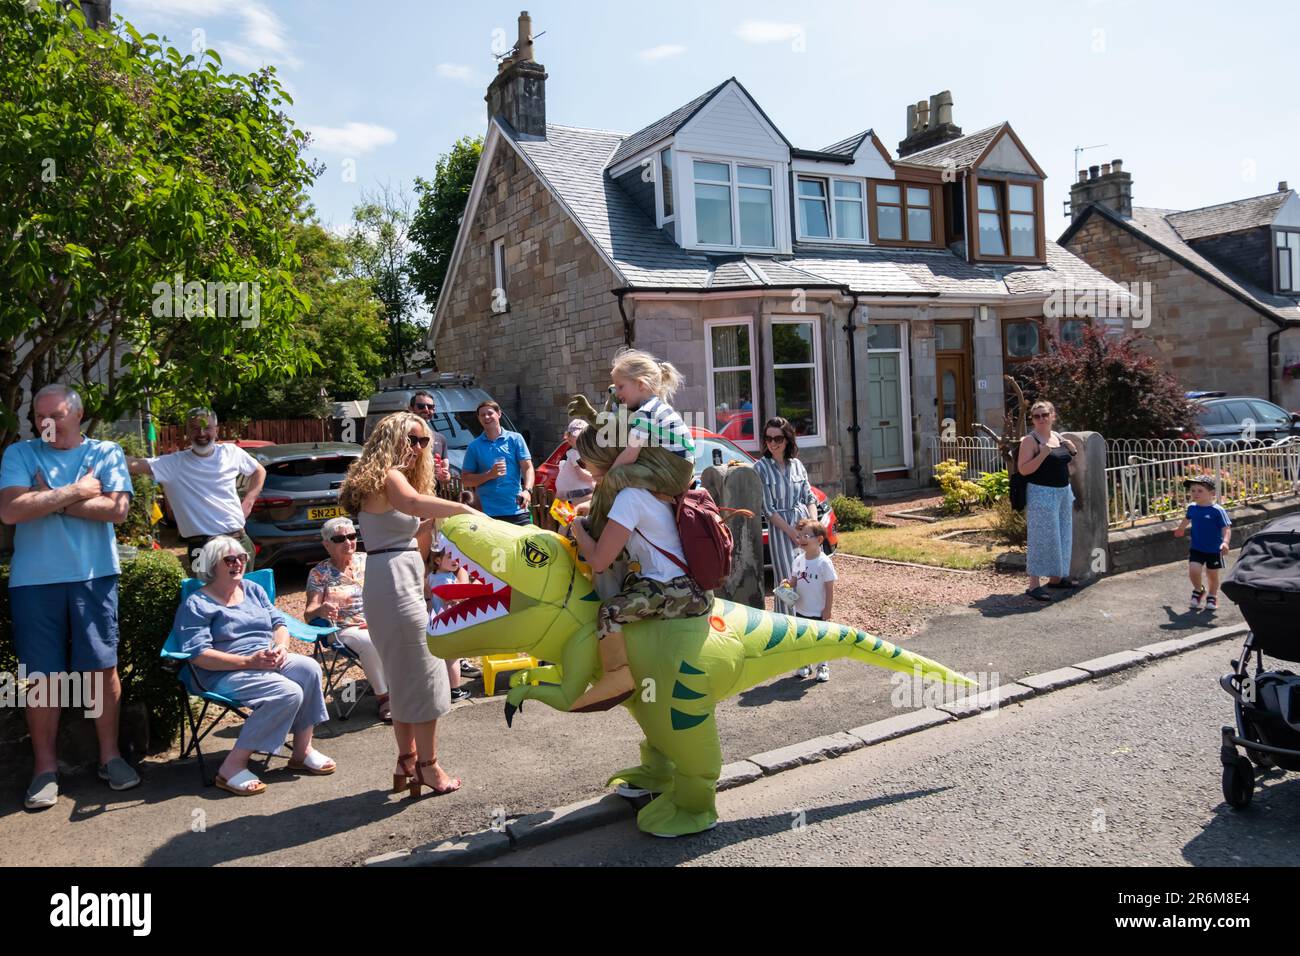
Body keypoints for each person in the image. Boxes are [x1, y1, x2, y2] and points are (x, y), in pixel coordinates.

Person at [0, 384, 139, 810]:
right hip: (33, 581)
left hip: (93, 576)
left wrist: (46, 499)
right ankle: (45, 770)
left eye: (56, 415)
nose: (47, 424)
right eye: (40, 417)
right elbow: (10, 511)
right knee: (43, 677)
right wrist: (78, 492)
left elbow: (117, 510)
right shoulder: (20, 454)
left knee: (101, 668)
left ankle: (109, 758)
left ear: (78, 415)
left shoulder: (107, 452)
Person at [338, 412, 475, 797]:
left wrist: (429, 528)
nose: (418, 448)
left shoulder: (379, 480)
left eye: (423, 442)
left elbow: (409, 531)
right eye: (412, 439)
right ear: (392, 438)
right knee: (428, 673)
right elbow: (416, 503)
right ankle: (428, 767)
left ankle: (407, 761)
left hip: (393, 577)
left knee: (402, 678)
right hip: (395, 581)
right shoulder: (390, 476)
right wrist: (463, 510)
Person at [173, 535, 334, 795]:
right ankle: (231, 767)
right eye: (229, 559)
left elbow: (279, 624)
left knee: (309, 668)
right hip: (222, 671)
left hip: (264, 660)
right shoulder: (198, 603)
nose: (238, 563)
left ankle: (302, 751)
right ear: (213, 564)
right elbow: (199, 655)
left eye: (242, 558)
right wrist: (248, 661)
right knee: (287, 692)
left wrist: (281, 648)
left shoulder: (253, 590)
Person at [567, 430, 712, 711]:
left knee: (609, 611)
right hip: (682, 582)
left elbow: (599, 561)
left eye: (584, 462)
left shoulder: (629, 498)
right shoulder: (641, 488)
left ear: (601, 459)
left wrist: (576, 527)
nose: (582, 468)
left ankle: (617, 677)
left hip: (675, 588)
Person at [569, 349, 696, 540]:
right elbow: (615, 429)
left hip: (672, 471)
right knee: (611, 480)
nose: (617, 393)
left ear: (640, 384)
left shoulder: (646, 412)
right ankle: (596, 521)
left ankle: (599, 533)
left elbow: (630, 454)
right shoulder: (653, 407)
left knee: (615, 477)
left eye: (620, 387)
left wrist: (610, 475)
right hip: (671, 467)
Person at [126, 407, 265, 572]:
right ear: (187, 432)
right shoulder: (173, 464)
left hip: (237, 541)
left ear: (217, 430)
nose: (201, 433)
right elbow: (134, 464)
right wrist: (100, 451)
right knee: (206, 596)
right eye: (194, 428)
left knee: (242, 595)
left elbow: (259, 470)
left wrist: (248, 502)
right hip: (202, 548)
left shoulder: (230, 452)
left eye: (207, 427)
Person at [304, 517, 390, 722]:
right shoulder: (319, 573)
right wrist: (322, 609)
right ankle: (384, 698)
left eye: (352, 536)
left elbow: (388, 593)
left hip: (376, 621)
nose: (348, 542)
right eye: (340, 538)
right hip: (342, 628)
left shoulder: (368, 560)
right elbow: (309, 613)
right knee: (369, 641)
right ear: (326, 544)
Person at [752, 416, 817, 615]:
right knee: (787, 580)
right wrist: (791, 533)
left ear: (787, 439)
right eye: (768, 438)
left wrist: (813, 527)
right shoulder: (760, 468)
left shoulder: (797, 464)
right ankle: (787, 624)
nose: (772, 443)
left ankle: (810, 621)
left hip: (804, 526)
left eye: (778, 439)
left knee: (809, 577)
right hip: (781, 530)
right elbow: (768, 509)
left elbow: (809, 497)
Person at [1018, 400, 1079, 602]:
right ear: (1032, 419)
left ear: (1053, 415)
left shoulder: (1058, 437)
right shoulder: (1030, 440)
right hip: (1041, 493)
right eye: (1037, 416)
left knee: (1062, 535)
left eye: (1045, 415)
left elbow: (1070, 464)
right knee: (1040, 537)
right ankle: (1034, 585)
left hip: (1062, 492)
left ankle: (1056, 577)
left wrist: (1072, 449)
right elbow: (1023, 469)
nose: (1042, 419)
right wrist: (1042, 455)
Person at [460, 401, 534, 526]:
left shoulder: (515, 439)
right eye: (482, 415)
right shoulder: (474, 446)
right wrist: (489, 475)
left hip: (516, 508)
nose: (486, 417)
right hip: (487, 512)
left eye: (490, 413)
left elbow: (527, 468)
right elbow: (466, 480)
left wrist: (527, 491)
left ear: (499, 414)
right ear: (479, 419)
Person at [784, 519, 837, 682]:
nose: (802, 540)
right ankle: (805, 664)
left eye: (807, 535)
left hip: (818, 610)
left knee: (820, 638)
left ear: (819, 540)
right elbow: (794, 581)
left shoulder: (824, 562)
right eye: (800, 536)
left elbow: (829, 587)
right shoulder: (798, 560)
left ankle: (823, 665)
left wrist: (827, 609)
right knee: (803, 638)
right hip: (800, 609)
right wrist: (786, 584)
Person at [1174, 476, 1232, 612]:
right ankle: (1198, 590)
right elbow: (1187, 519)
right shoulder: (1192, 508)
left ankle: (1212, 596)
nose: (1195, 493)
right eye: (1193, 490)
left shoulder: (1217, 510)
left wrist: (1225, 542)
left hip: (1214, 550)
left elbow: (1226, 528)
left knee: (1212, 574)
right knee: (1194, 570)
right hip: (1197, 548)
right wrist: (1180, 529)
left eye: (1200, 491)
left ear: (1211, 493)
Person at [425, 537, 471, 702]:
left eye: (457, 557)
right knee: (453, 658)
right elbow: (453, 599)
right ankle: (454, 690)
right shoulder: (446, 579)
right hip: (448, 623)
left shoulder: (432, 576)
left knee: (442, 658)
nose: (455, 560)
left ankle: (443, 687)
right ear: (438, 560)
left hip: (436, 623)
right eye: (450, 557)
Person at [408, 391, 452, 486]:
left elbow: (445, 476)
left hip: (432, 494)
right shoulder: (401, 435)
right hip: (408, 494)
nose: (426, 410)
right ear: (411, 409)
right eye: (421, 406)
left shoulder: (440, 439)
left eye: (430, 407)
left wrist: (445, 476)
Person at [556, 418, 596, 506]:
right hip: (574, 494)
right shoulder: (575, 454)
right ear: (569, 438)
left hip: (572, 492)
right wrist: (596, 478)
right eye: (575, 437)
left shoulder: (579, 454)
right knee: (597, 496)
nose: (580, 440)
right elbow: (581, 474)